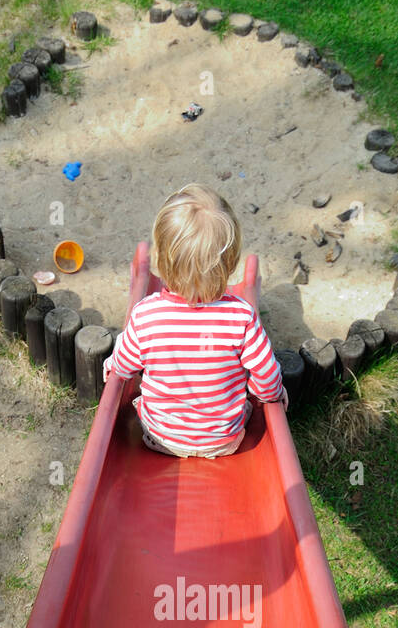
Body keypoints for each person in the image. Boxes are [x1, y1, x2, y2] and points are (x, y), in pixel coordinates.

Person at [102, 183, 288, 458]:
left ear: (162, 261)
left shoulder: (146, 315)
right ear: (230, 263)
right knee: (246, 405)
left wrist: (111, 364)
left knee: (140, 386)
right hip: (224, 440)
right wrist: (271, 395)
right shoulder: (241, 316)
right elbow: (267, 376)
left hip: (160, 437)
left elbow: (124, 367)